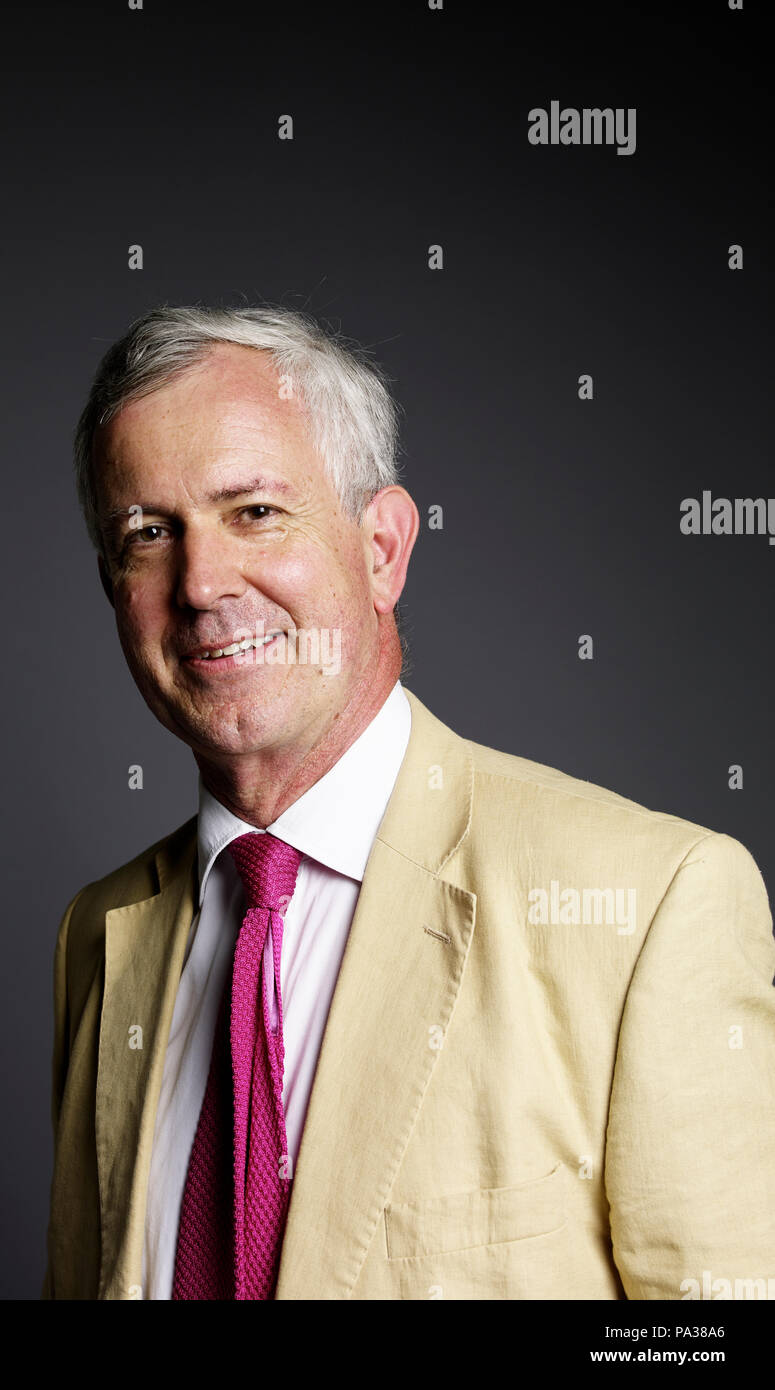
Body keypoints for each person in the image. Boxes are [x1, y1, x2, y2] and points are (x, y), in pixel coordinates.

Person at [42, 305, 775, 1300]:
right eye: (149, 533)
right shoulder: (101, 934)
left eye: (255, 511)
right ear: (110, 586)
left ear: (382, 548)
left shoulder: (651, 904)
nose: (204, 582)